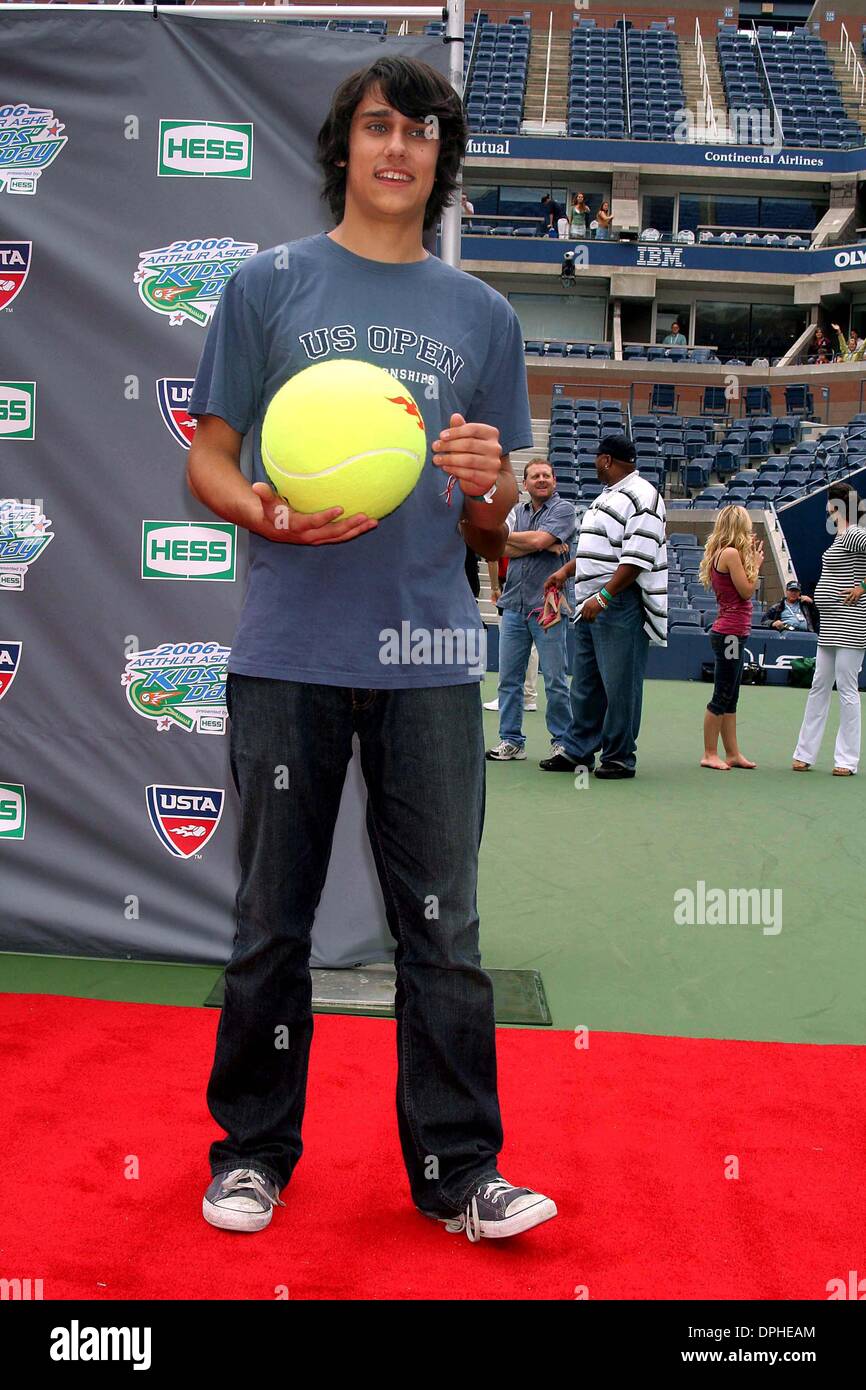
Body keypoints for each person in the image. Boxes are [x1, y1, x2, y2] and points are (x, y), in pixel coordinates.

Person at [187, 53, 556, 1242]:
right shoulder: (266, 288)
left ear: (440, 163)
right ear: (343, 147)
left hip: (432, 662)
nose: (398, 149)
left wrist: (483, 490)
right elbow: (208, 454)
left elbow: (490, 527)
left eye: (421, 133)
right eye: (377, 127)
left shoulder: (482, 316)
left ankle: (459, 1171)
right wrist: (257, 507)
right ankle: (251, 1152)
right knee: (269, 922)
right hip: (291, 651)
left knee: (443, 930)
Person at [541, 435, 668, 779]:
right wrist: (566, 572)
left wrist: (605, 596)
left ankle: (618, 756)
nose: (594, 464)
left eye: (597, 458)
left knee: (620, 684)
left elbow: (637, 558)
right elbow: (595, 551)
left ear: (608, 460)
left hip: (619, 602)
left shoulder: (643, 496)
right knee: (585, 682)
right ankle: (579, 749)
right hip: (589, 601)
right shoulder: (605, 497)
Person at [485, 460, 575, 762]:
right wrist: (540, 545)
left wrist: (532, 542)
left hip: (547, 608)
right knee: (508, 680)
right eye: (535, 476)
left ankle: (562, 741)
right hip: (512, 606)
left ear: (554, 481)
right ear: (525, 484)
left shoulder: (564, 511)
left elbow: (532, 540)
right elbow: (497, 549)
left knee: (555, 680)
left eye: (546, 476)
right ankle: (511, 741)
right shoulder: (516, 512)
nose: (541, 480)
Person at [793, 482, 866, 775]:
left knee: (847, 689)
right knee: (819, 685)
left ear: (836, 506)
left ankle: (847, 760)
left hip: (851, 623)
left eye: (828, 502)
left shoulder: (855, 534)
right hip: (831, 625)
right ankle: (804, 753)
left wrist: (862, 586)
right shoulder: (841, 537)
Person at [698, 506, 764, 771]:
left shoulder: (723, 553)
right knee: (722, 694)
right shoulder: (730, 554)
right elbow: (747, 591)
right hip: (730, 635)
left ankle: (732, 752)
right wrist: (757, 566)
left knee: (731, 696)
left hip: (732, 632)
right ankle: (709, 753)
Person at [484, 553, 540, 712]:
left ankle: (509, 697)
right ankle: (528, 696)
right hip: (528, 581)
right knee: (532, 644)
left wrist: (495, 587)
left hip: (511, 583)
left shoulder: (507, 531)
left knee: (511, 643)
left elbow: (492, 557)